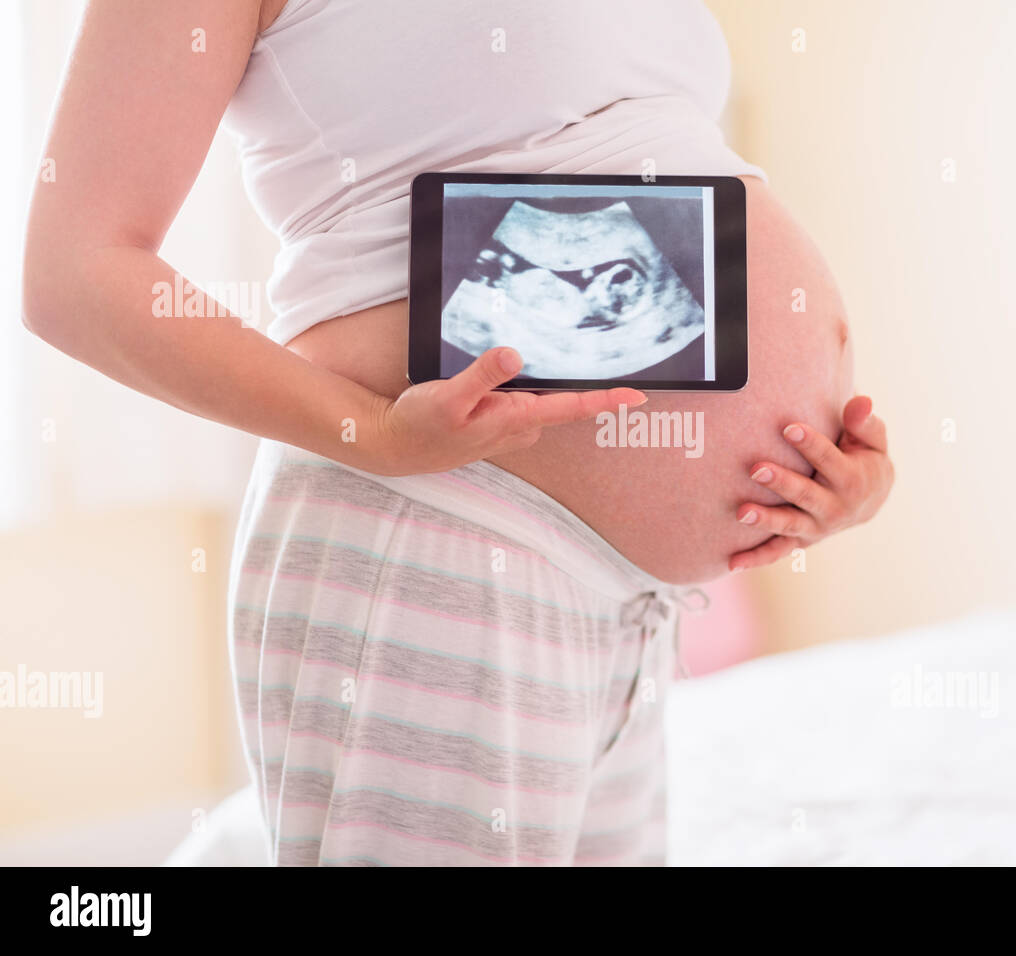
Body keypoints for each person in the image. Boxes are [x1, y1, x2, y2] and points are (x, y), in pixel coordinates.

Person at [22, 0, 893, 865]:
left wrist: (810, 468)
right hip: (439, 526)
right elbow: (76, 271)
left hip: (627, 606)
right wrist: (374, 433)